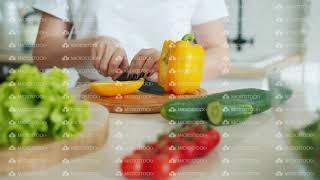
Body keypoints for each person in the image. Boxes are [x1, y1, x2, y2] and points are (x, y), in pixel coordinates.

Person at [32, 0, 230, 83]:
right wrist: (92, 45)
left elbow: (219, 53)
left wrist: (174, 66)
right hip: (93, 106)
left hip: (170, 104)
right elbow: (43, 52)